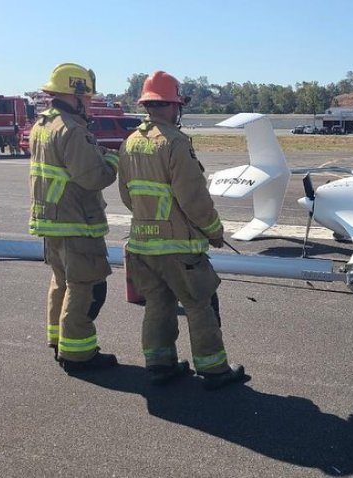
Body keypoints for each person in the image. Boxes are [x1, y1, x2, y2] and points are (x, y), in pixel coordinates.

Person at [118, 70, 245, 389]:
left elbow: (126, 194)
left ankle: (159, 364)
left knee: (158, 305)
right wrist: (214, 231)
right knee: (199, 304)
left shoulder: (130, 142)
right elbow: (194, 198)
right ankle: (215, 369)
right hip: (178, 247)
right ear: (173, 106)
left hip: (141, 245)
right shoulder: (175, 142)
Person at [28, 63, 120, 373]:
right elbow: (92, 177)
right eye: (90, 99)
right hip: (76, 221)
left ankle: (58, 340)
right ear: (76, 96)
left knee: (60, 281)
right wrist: (110, 160)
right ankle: (78, 354)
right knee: (83, 286)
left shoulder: (42, 125)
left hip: (51, 220)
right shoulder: (72, 129)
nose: (91, 104)